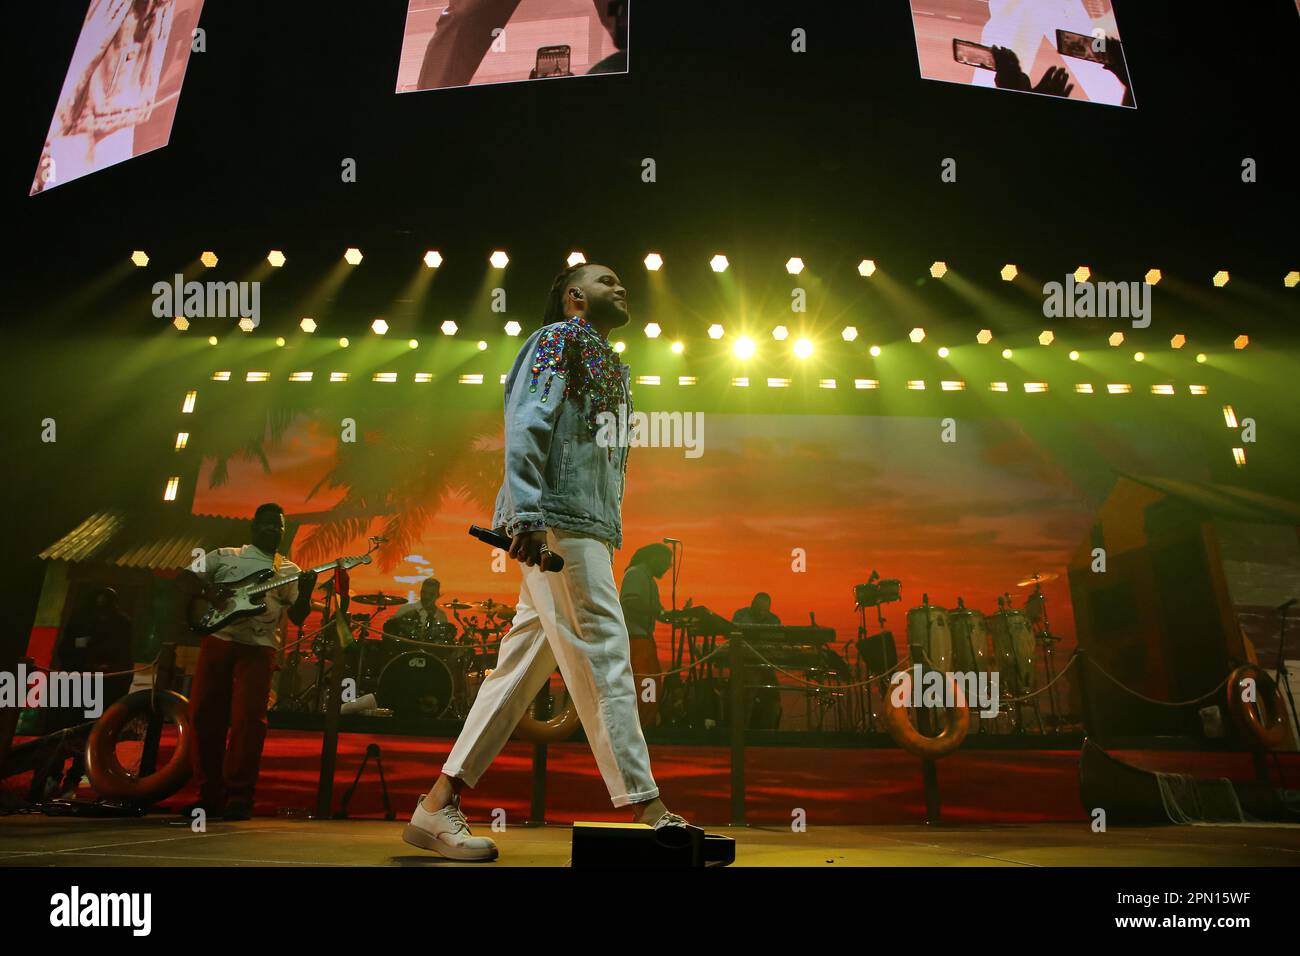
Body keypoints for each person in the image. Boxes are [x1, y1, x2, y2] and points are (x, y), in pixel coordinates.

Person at [405, 262, 686, 862]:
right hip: (559, 523)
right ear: (573, 298)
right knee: (606, 652)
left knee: (517, 674)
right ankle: (647, 806)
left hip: (583, 526)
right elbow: (528, 421)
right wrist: (527, 515)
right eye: (606, 280)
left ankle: (434, 807)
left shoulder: (608, 360)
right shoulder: (561, 339)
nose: (622, 287)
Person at [176, 503, 317, 820]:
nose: (273, 529)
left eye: (278, 526)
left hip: (259, 648)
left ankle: (239, 798)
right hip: (218, 641)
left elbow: (297, 615)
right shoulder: (224, 554)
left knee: (248, 723)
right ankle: (208, 796)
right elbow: (184, 579)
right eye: (267, 524)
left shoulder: (288, 570)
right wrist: (214, 595)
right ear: (253, 527)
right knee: (203, 717)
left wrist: (306, 593)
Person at [620, 543, 673, 727]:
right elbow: (632, 602)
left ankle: (645, 724)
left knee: (650, 682)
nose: (668, 567)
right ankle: (641, 726)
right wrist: (660, 614)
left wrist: (674, 615)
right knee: (644, 682)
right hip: (636, 640)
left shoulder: (648, 579)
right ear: (654, 558)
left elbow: (657, 611)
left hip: (644, 640)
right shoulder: (635, 574)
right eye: (667, 562)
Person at [731, 593, 782, 730]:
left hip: (765, 664)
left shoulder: (774, 620)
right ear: (752, 603)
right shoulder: (740, 616)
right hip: (745, 664)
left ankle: (769, 731)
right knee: (747, 693)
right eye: (758, 608)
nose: (761, 612)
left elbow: (777, 643)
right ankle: (742, 730)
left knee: (774, 696)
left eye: (764, 610)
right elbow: (733, 640)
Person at [385, 577, 452, 640]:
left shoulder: (442, 615)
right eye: (424, 593)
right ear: (420, 592)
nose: (426, 597)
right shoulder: (407, 609)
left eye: (431, 594)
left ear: (437, 595)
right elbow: (388, 628)